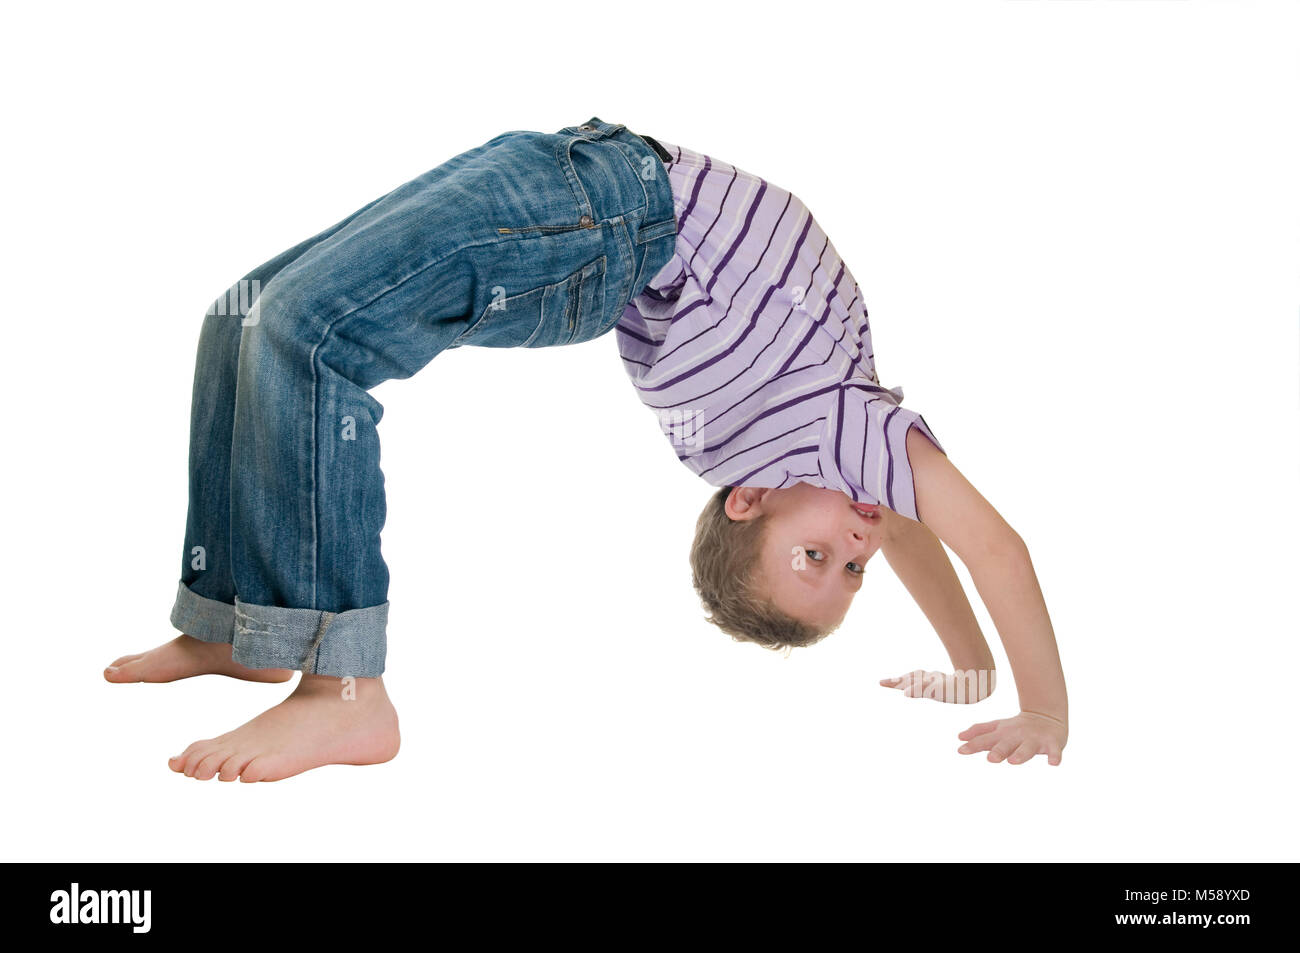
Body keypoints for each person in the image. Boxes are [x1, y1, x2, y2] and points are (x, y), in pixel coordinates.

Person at [105, 117, 1068, 780]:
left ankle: (345, 689)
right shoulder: (839, 434)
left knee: (307, 334)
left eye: (825, 560)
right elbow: (966, 545)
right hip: (595, 182)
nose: (859, 543)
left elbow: (930, 534)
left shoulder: (804, 441)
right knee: (243, 315)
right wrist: (995, 681)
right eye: (844, 567)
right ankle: (237, 627)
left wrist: (1012, 691)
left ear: (747, 505)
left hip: (601, 222)